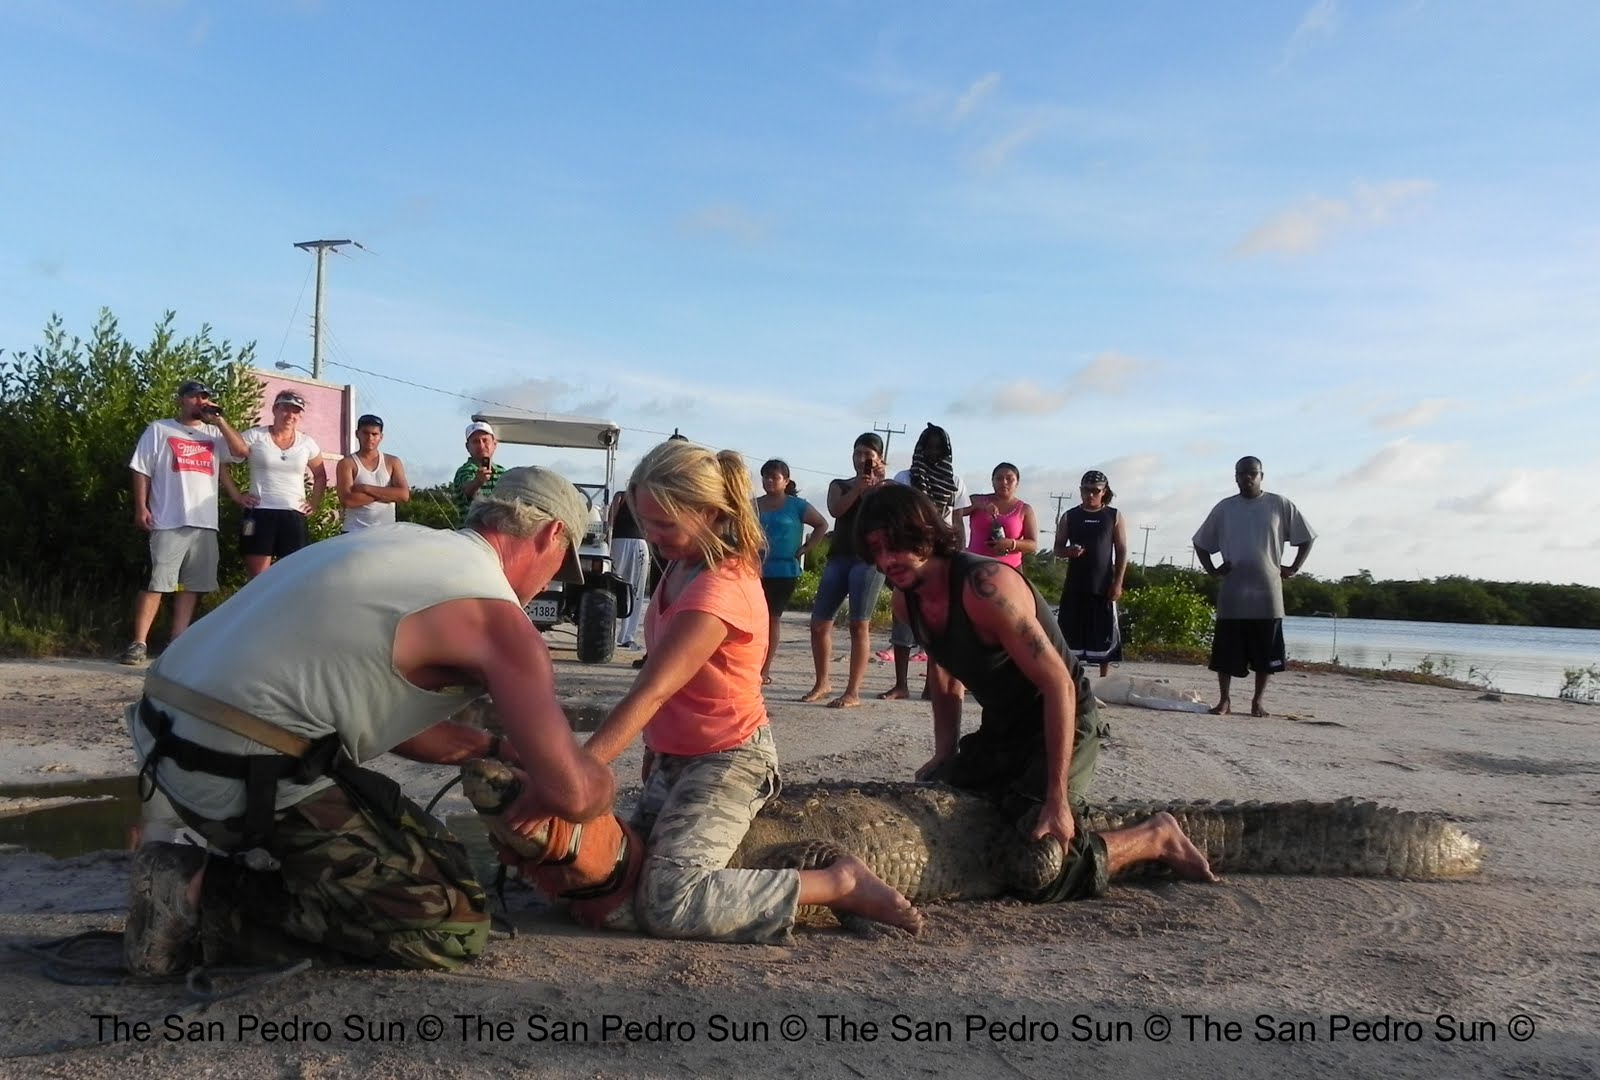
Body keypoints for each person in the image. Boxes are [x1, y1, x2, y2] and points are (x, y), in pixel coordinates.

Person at [122, 466, 618, 976]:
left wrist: (495, 751)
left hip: (162, 738)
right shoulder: (497, 619)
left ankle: (243, 863)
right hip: (233, 768)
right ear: (552, 534)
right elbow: (574, 797)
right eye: (560, 564)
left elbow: (398, 724)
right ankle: (200, 897)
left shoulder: (400, 544)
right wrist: (599, 775)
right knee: (449, 927)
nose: (551, 578)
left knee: (441, 853)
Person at [581, 439, 921, 941]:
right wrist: (654, 750)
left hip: (729, 756)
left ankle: (835, 882)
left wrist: (581, 771)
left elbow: (651, 690)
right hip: (676, 756)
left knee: (667, 903)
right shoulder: (679, 563)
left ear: (710, 512)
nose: (651, 537)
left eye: (664, 525)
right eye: (645, 522)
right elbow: (668, 689)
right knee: (619, 884)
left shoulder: (721, 584)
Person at [857, 484, 1216, 902]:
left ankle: (1155, 837)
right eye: (875, 550)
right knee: (945, 797)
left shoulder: (985, 587)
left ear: (925, 532)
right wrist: (945, 752)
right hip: (1004, 727)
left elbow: (1058, 683)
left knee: (1036, 867)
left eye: (895, 545)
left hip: (1065, 715)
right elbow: (944, 676)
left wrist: (1056, 798)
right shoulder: (907, 599)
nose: (885, 561)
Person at [121, 380, 249, 666]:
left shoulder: (215, 435)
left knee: (192, 585)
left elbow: (241, 452)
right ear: (181, 400)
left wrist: (220, 420)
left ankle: (177, 641)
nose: (199, 401)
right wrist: (141, 506)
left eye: (204, 397)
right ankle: (138, 642)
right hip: (168, 518)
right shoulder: (160, 429)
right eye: (194, 397)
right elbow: (141, 469)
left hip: (204, 522)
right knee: (157, 582)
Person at [1192, 456, 1317, 717]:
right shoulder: (1225, 508)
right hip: (1233, 593)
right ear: (1235, 477)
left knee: (1265, 653)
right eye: (1241, 474)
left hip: (1267, 593)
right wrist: (1213, 570)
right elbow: (1201, 542)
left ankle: (1257, 701)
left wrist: (1292, 568)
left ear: (1261, 475)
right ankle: (1224, 700)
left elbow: (1306, 537)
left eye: (1252, 473)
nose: (1247, 478)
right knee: (1226, 652)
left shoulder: (1279, 505)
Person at [882, 423, 970, 700]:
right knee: (903, 617)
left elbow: (957, 522)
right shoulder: (904, 478)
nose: (933, 451)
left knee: (936, 620)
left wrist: (960, 555)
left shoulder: (955, 481)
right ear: (920, 448)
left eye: (938, 447)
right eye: (928, 445)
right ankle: (901, 684)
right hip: (907, 553)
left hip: (940, 557)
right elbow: (892, 517)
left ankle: (931, 685)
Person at [801, 432, 889, 709]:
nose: (861, 459)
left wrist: (877, 486)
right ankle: (822, 682)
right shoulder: (839, 485)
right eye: (857, 453)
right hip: (839, 557)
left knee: (858, 624)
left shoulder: (885, 489)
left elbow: (889, 516)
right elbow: (836, 510)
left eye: (868, 455)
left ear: (879, 460)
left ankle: (853, 691)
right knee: (818, 624)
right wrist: (857, 490)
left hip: (869, 561)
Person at [236, 389, 329, 577]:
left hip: (293, 513)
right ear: (275, 410)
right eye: (285, 409)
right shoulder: (255, 435)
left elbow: (320, 475)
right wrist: (237, 495)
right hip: (260, 512)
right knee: (259, 578)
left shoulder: (307, 443)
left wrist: (314, 502)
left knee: (293, 575)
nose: (290, 415)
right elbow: (223, 461)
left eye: (295, 411)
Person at [755, 459, 828, 685]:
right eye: (766, 476)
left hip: (784, 570)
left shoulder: (797, 505)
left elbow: (822, 524)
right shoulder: (753, 504)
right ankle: (751, 665)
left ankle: (764, 669)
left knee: (772, 618)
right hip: (755, 568)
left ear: (785, 481)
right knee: (755, 619)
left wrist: (808, 548)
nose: (769, 481)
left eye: (774, 477)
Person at [1053, 470, 1129, 678]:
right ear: (1080, 490)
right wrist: (1069, 551)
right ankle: (1071, 679)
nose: (1090, 495)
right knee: (1070, 633)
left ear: (1104, 492)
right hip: (1075, 585)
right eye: (1086, 490)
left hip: (1102, 585)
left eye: (1096, 491)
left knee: (1102, 632)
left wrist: (1118, 582)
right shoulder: (1070, 516)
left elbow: (1121, 550)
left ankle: (1103, 681)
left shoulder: (1113, 516)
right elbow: (1057, 548)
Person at [336, 413, 410, 532]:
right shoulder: (347, 463)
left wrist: (366, 488)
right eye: (365, 433)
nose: (370, 438)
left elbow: (403, 495)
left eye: (374, 434)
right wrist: (388, 493)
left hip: (385, 532)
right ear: (357, 434)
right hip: (354, 531)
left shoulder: (392, 462)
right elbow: (348, 500)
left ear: (381, 437)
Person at [958, 462, 1038, 569]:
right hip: (975, 567)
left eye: (1009, 479)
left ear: (1017, 483)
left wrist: (1011, 544)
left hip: (1010, 569)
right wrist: (978, 506)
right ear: (992, 482)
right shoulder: (976, 500)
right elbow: (953, 512)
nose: (1004, 482)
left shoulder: (1025, 509)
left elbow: (1032, 545)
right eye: (999, 479)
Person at [608, 489, 649, 650]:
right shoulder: (621, 496)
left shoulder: (649, 496)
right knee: (613, 586)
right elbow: (610, 520)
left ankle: (627, 635)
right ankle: (609, 633)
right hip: (620, 542)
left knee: (636, 590)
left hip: (639, 542)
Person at [452, 421, 506, 520]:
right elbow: (467, 490)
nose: (481, 446)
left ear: (494, 444)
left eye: (485, 440)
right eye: (476, 441)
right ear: (467, 447)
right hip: (470, 532)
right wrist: (477, 482)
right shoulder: (465, 471)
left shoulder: (503, 472)